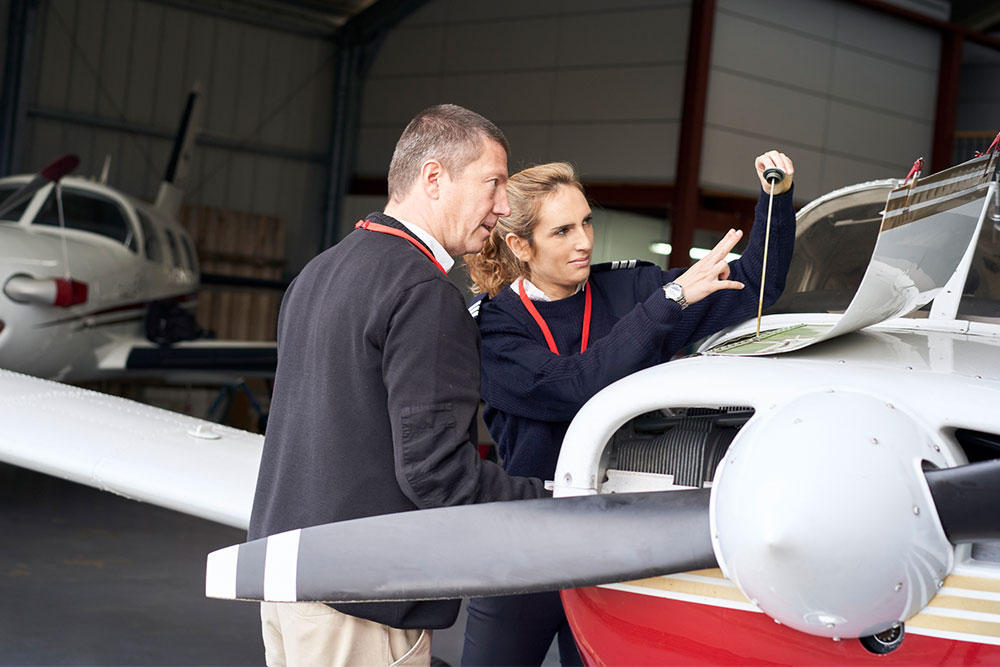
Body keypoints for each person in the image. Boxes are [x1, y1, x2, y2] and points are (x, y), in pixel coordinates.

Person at [461, 152, 795, 666]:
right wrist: (668, 303)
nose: (584, 242)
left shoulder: (630, 289)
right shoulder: (494, 327)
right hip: (524, 543)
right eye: (562, 231)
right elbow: (573, 386)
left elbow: (757, 287)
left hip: (613, 541)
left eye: (587, 222)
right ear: (518, 245)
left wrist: (776, 200)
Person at [247, 104, 548, 667]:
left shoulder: (317, 273)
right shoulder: (424, 295)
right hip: (360, 597)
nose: (504, 207)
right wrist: (550, 503)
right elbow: (435, 473)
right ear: (434, 178)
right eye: (494, 183)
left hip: (287, 581)